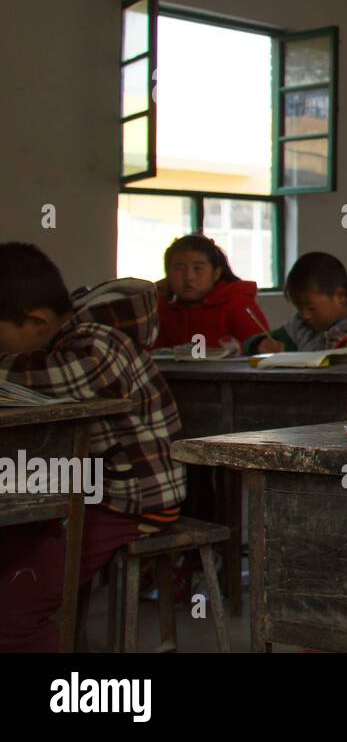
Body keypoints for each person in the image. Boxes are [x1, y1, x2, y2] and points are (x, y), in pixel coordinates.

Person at [0, 244, 185, 651]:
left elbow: (51, 379)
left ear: (37, 321)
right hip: (84, 490)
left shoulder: (99, 344)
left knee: (14, 611)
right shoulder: (68, 335)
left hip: (131, 498)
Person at [245, 251, 347, 353]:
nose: (305, 315)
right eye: (299, 308)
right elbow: (250, 342)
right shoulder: (299, 326)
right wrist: (260, 344)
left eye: (311, 308)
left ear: (340, 296)